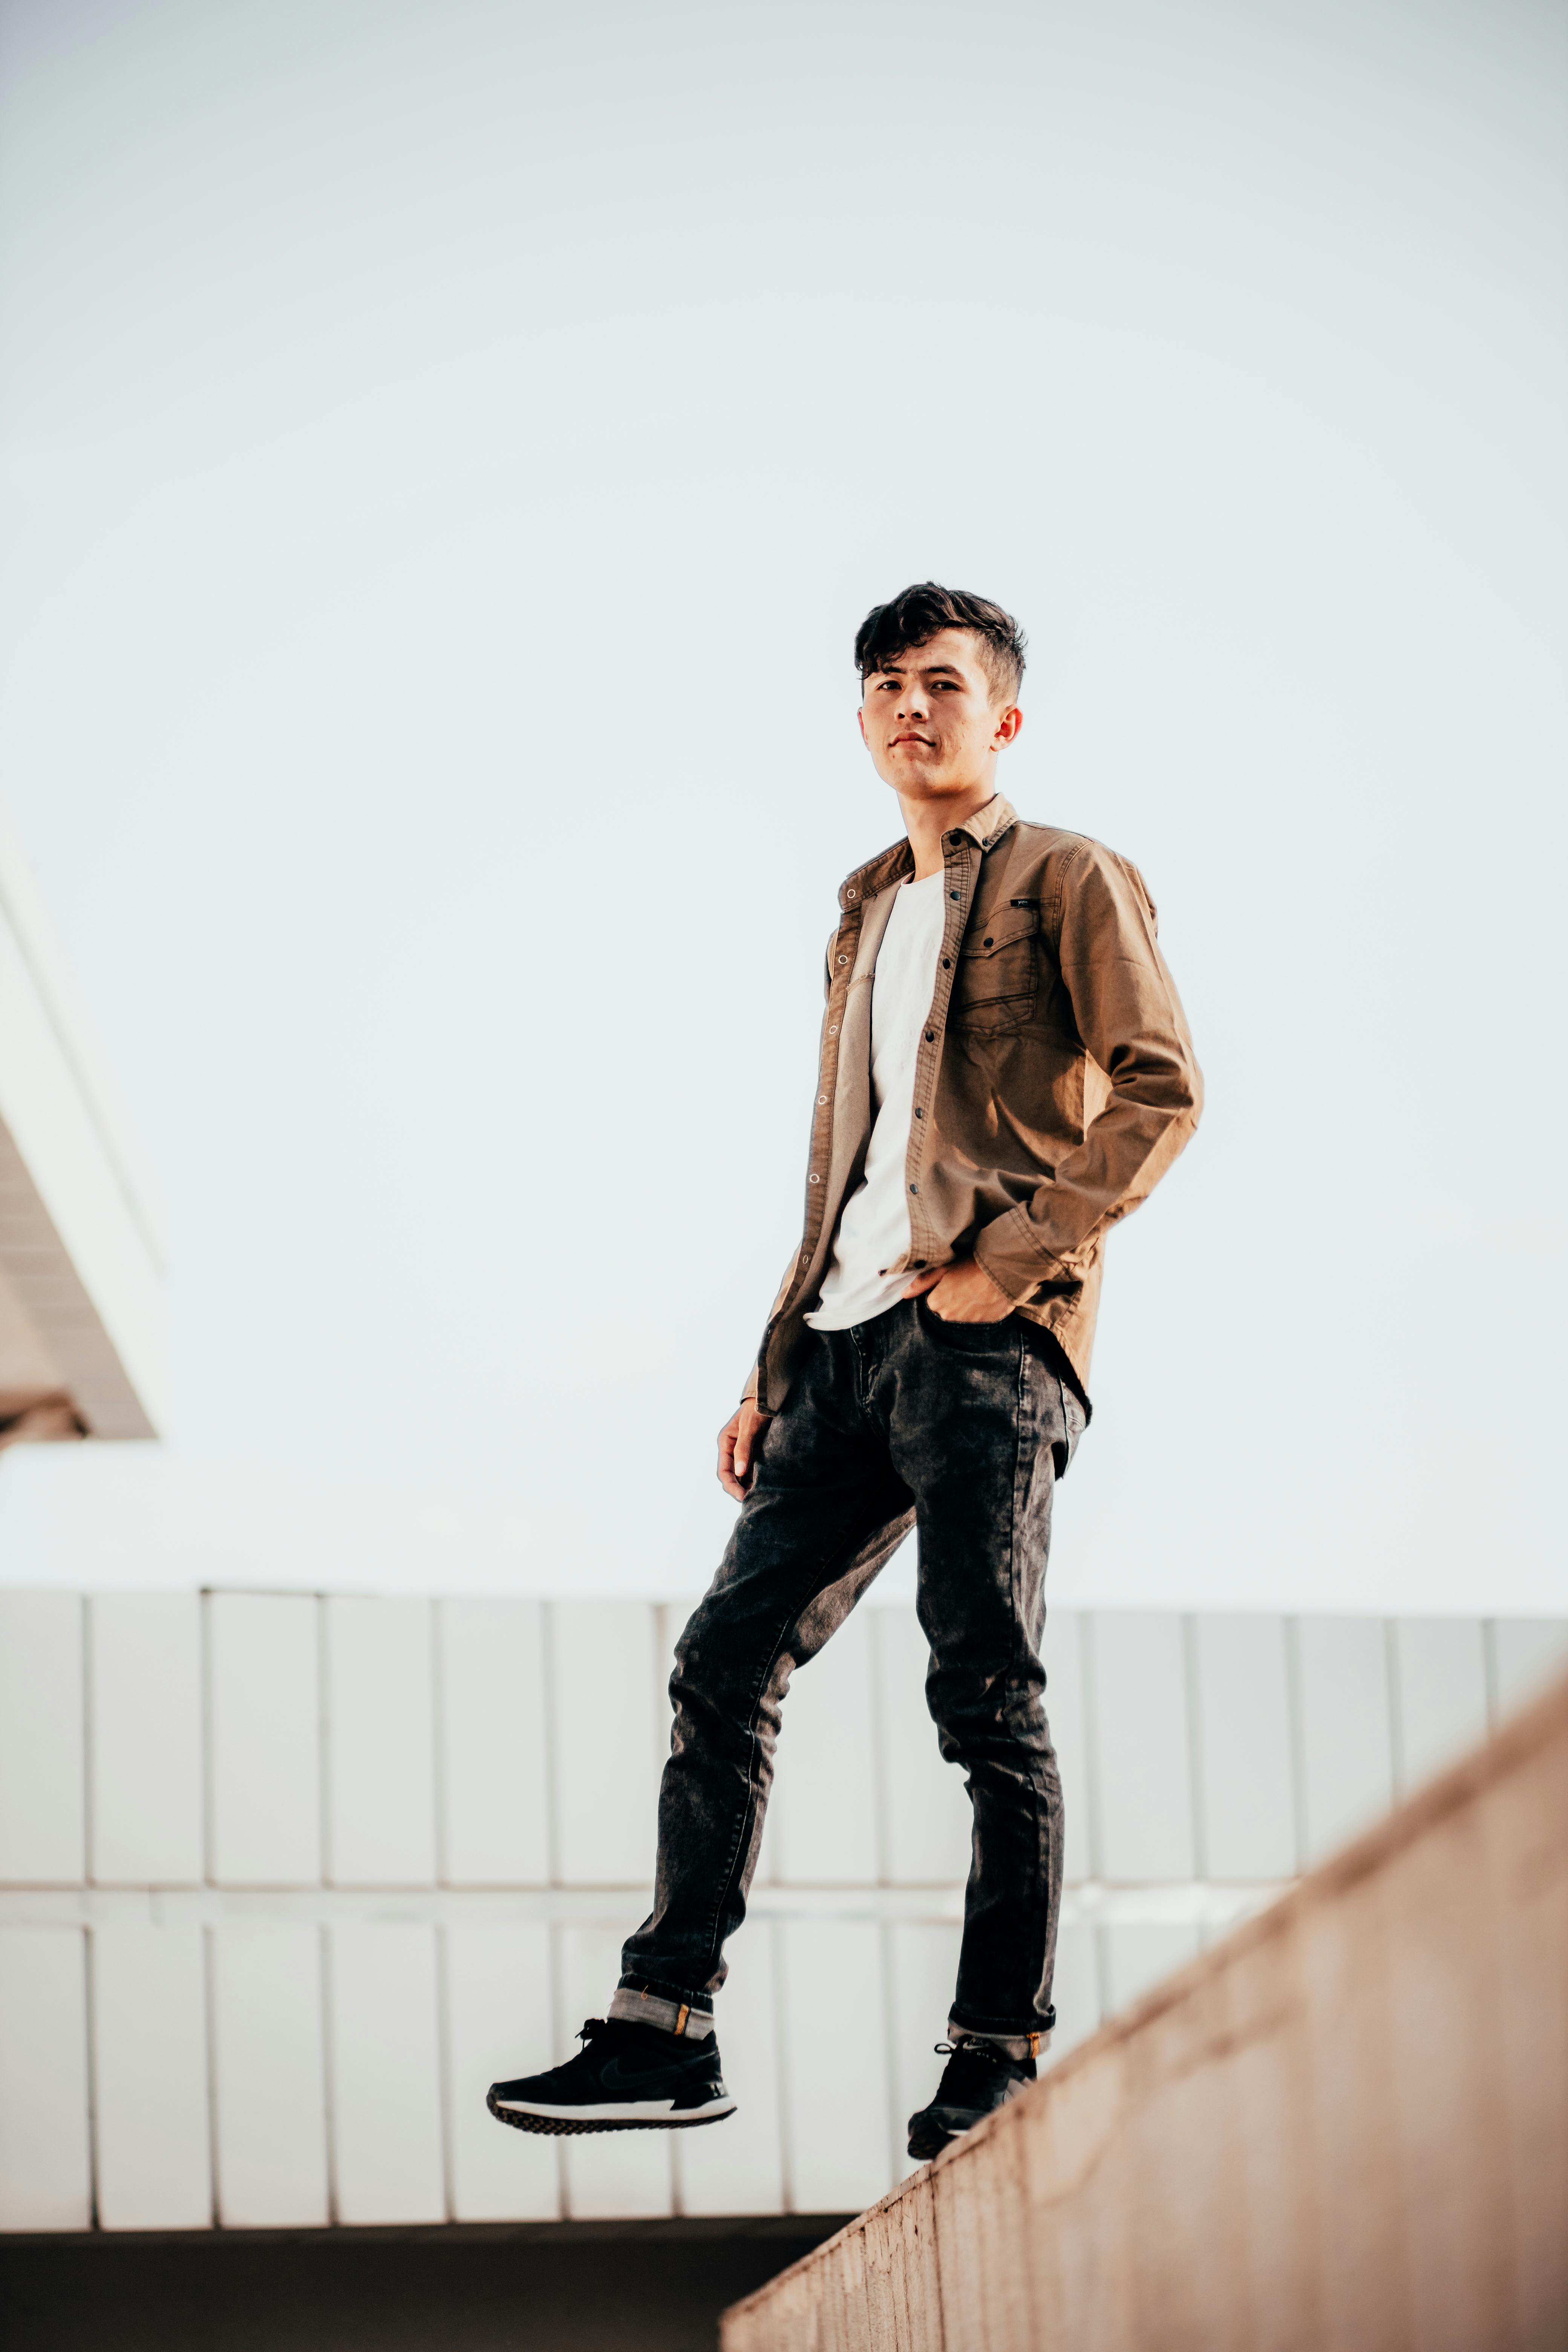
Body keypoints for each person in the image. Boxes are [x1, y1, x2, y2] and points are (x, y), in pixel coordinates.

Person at [488, 582, 1202, 2158]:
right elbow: (852, 1160)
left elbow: (1161, 1092)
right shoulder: (865, 908)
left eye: (942, 682)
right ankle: (661, 2031)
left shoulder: (1069, 875)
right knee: (721, 1662)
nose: (911, 706)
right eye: (885, 684)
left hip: (984, 1342)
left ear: (1003, 714)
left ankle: (995, 2047)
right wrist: (774, 1361)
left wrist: (1005, 1265)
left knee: (983, 1690)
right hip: (834, 1351)